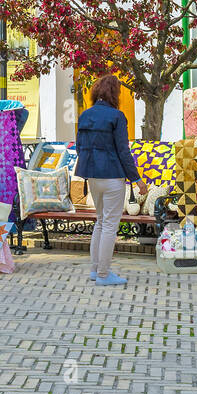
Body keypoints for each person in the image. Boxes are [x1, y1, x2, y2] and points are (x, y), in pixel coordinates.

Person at [74, 74, 142, 287]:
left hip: (92, 176)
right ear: (115, 93)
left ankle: (95, 270)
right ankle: (104, 274)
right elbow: (123, 151)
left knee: (101, 222)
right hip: (112, 176)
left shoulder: (85, 115)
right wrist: (137, 179)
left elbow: (79, 147)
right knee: (110, 225)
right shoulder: (117, 116)